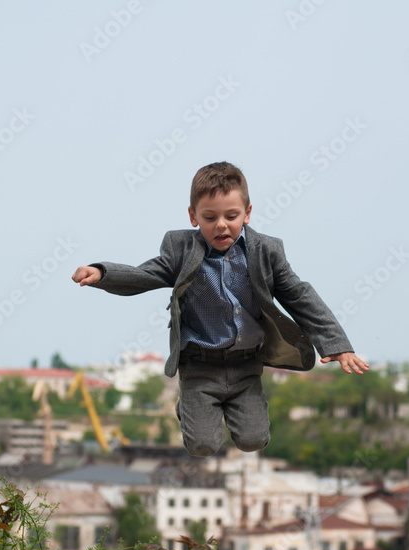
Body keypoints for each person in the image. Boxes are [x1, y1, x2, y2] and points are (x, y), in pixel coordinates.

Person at [72, 161, 368, 457]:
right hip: (199, 366)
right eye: (210, 217)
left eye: (231, 216)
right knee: (203, 446)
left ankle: (225, 411)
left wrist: (336, 344)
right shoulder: (181, 249)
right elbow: (148, 274)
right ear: (193, 216)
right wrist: (103, 272)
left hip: (246, 367)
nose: (221, 225)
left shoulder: (267, 251)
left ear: (247, 214)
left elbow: (300, 295)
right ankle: (189, 407)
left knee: (253, 441)